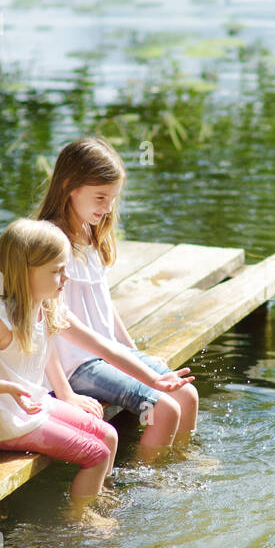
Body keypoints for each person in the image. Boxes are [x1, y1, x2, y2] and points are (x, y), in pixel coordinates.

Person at [0, 219, 191, 520]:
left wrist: (155, 379)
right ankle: (80, 516)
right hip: (2, 420)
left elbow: (104, 347)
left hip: (33, 405)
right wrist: (10, 388)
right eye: (56, 271)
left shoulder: (50, 307)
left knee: (109, 437)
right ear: (24, 272)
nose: (65, 278)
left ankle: (95, 494)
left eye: (65, 268)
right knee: (97, 454)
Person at [35, 137, 200, 463]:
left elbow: (103, 305)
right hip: (74, 366)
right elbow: (42, 326)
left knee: (187, 395)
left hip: (105, 353)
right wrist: (64, 393)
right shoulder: (50, 243)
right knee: (163, 408)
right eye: (100, 197)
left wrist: (134, 352)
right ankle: (150, 482)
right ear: (69, 186)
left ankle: (178, 462)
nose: (108, 207)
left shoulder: (91, 233)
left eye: (112, 198)